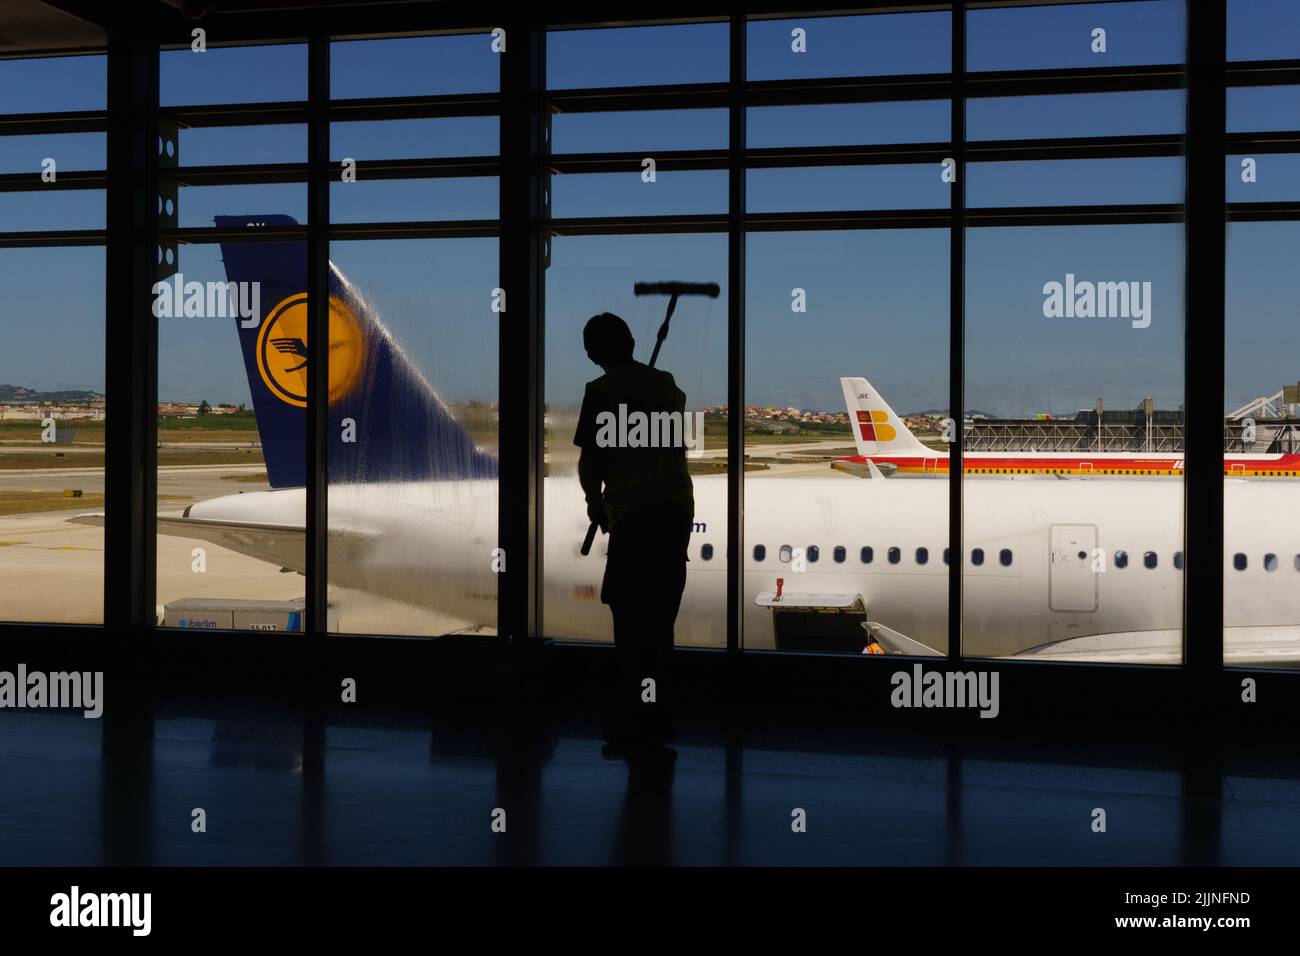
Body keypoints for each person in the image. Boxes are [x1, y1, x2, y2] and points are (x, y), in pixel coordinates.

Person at [573, 312, 695, 747]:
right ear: (631, 341)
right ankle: (659, 715)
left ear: (592, 354)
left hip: (633, 516)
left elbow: (590, 460)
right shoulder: (667, 385)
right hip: (675, 513)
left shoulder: (601, 391)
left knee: (628, 619)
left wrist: (594, 504)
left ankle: (633, 717)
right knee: (661, 621)